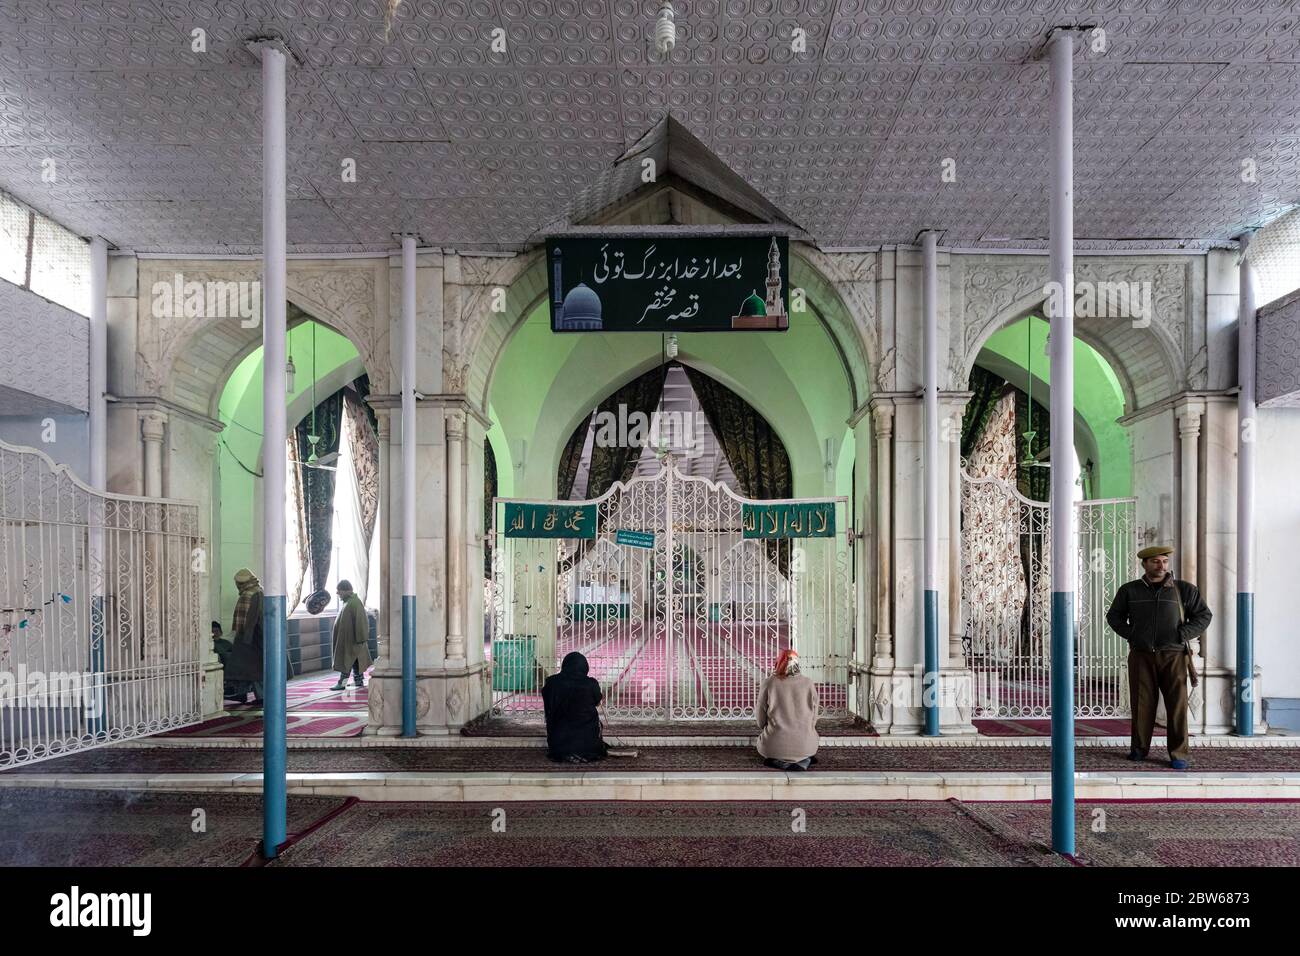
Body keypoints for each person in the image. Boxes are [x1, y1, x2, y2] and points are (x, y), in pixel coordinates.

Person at [1106, 544, 1212, 770]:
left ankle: (1178, 754)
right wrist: (1132, 634)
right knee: (1142, 704)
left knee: (1177, 705)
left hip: (1173, 655)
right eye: (1155, 561)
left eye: (1164, 561)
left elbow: (1203, 616)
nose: (1161, 565)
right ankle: (1139, 749)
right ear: (1144, 564)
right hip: (1141, 655)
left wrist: (1182, 634)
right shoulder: (1129, 590)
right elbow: (1114, 616)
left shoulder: (1183, 590)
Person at [756, 648, 819, 770]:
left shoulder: (769, 683)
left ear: (779, 662)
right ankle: (803, 759)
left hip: (772, 747)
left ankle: (779, 760)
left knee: (762, 743)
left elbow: (760, 722)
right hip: (808, 745)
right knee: (809, 742)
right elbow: (814, 720)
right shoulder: (808, 683)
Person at [541, 651, 608, 763]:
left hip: (558, 744)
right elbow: (597, 701)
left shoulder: (551, 682)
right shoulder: (591, 683)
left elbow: (548, 702)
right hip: (588, 744)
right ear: (584, 667)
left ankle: (566, 750)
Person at [223, 569, 264, 704]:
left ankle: (261, 697)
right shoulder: (260, 591)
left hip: (249, 638)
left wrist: (241, 638)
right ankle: (241, 693)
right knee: (248, 668)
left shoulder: (247, 594)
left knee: (251, 669)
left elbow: (243, 621)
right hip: (261, 635)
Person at [330, 580, 373, 691]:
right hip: (350, 641)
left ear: (345, 590)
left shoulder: (354, 603)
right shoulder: (349, 602)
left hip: (353, 641)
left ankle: (342, 683)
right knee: (355, 662)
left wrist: (361, 638)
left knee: (346, 663)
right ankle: (358, 680)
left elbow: (361, 621)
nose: (337, 593)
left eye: (339, 591)